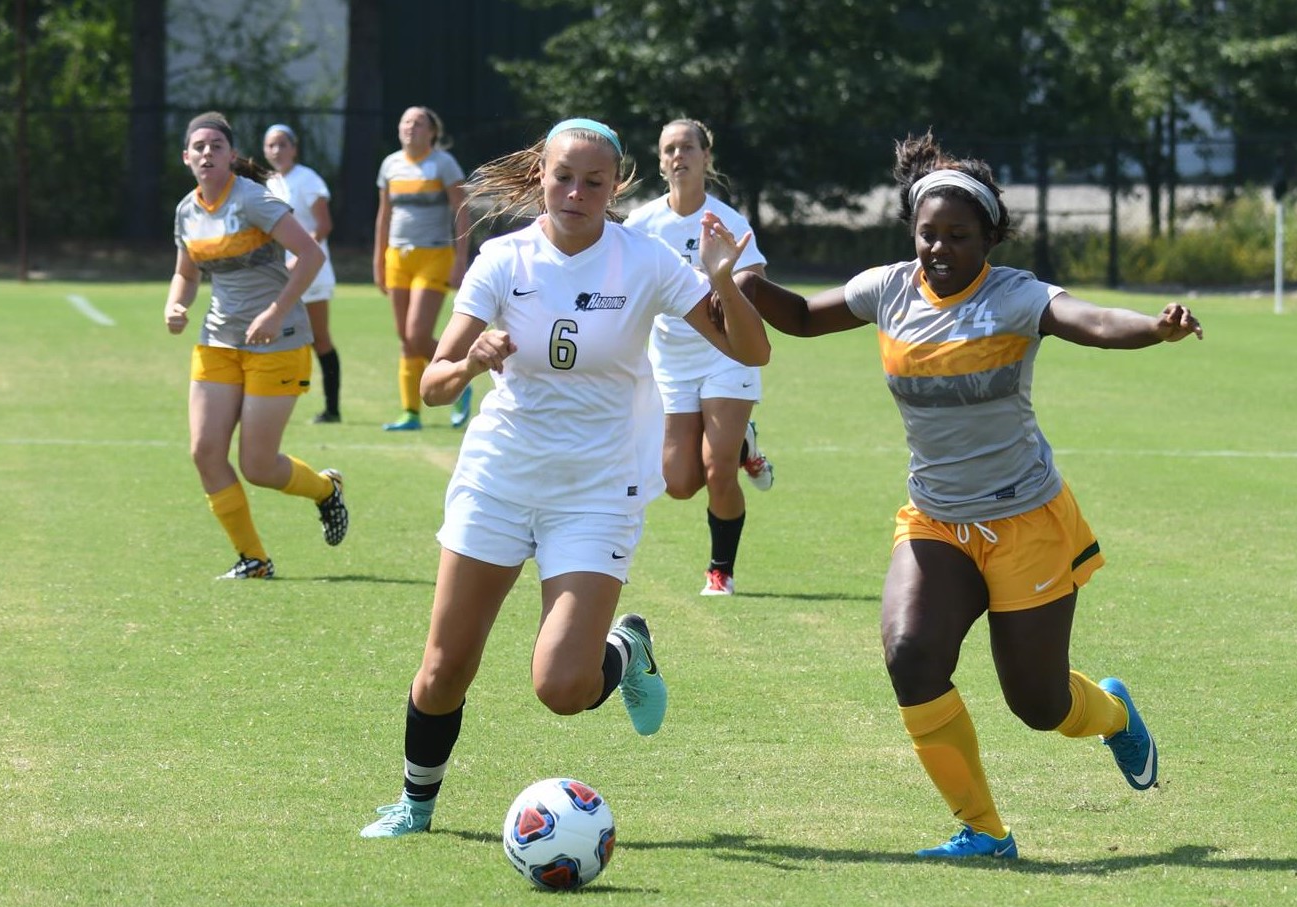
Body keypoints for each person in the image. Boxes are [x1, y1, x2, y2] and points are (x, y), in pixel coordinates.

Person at [734, 132, 1199, 859]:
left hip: (1026, 519)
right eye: (929, 234)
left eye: (958, 235)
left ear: (990, 235)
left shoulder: (1015, 295)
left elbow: (1096, 323)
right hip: (937, 517)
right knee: (910, 654)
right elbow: (797, 316)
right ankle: (983, 829)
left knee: (1039, 705)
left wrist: (1156, 328)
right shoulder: (887, 288)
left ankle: (1111, 712)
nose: (940, 249)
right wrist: (744, 284)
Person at [359, 118, 771, 837]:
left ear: (616, 188)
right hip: (500, 478)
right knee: (444, 668)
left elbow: (753, 347)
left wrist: (721, 280)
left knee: (560, 687)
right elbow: (432, 385)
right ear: (539, 176)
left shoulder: (643, 261)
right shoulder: (502, 259)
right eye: (563, 177)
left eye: (593, 181)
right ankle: (415, 806)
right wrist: (472, 361)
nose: (576, 192)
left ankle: (624, 647)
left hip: (596, 491)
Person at [165, 111, 350, 579]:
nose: (207, 153)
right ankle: (254, 560)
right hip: (218, 340)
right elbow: (186, 272)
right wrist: (177, 304)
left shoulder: (252, 201)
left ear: (230, 156)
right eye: (199, 147)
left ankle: (325, 490)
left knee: (258, 465)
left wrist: (275, 311)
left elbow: (310, 254)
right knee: (205, 452)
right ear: (187, 157)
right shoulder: (187, 211)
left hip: (279, 341)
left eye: (216, 147)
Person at [626, 118, 776, 598]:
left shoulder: (728, 222)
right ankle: (746, 447)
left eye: (687, 147)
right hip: (670, 358)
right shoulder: (642, 225)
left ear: (706, 157)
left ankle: (720, 570)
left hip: (726, 355)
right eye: (669, 148)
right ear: (660, 160)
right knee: (679, 482)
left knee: (717, 470)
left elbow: (755, 288)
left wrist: (727, 280)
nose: (678, 156)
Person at [374, 106, 473, 431]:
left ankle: (459, 379)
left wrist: (461, 259)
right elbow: (384, 215)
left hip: (434, 256)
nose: (410, 128)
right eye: (405, 122)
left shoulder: (443, 163)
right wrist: (379, 259)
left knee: (417, 335)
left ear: (432, 131)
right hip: (397, 258)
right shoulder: (390, 164)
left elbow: (461, 210)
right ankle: (411, 413)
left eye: (418, 123)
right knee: (405, 339)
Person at [262, 123, 344, 424]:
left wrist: (300, 257)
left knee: (319, 339)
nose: (277, 150)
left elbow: (323, 225)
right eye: (271, 145)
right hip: (278, 275)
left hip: (311, 271)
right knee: (278, 336)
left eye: (283, 144)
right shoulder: (268, 183)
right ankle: (270, 403)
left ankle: (332, 409)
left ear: (294, 148)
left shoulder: (308, 179)